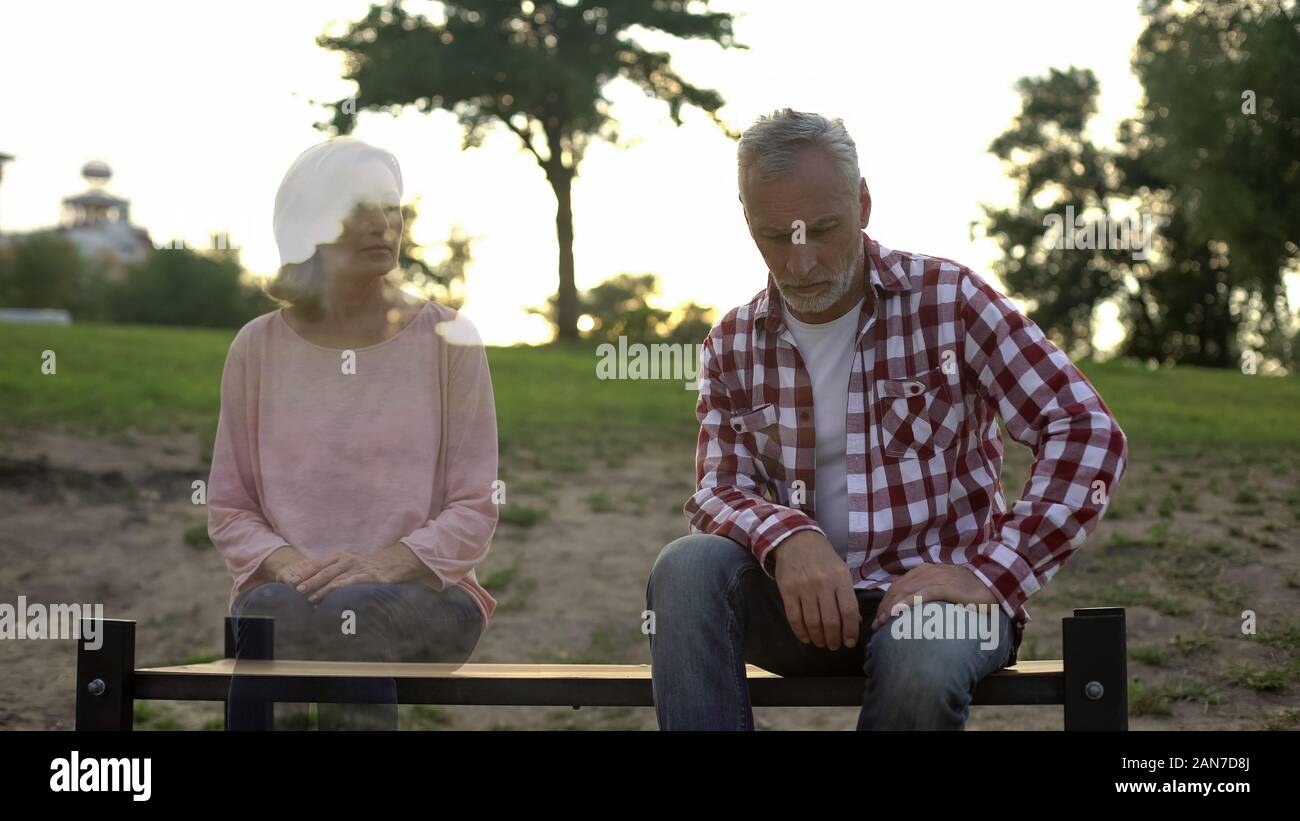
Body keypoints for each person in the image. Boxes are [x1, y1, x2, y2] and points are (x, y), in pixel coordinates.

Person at [646, 109, 1128, 730]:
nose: (801, 264)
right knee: (685, 568)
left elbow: (1084, 429)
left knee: (919, 669)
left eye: (823, 229)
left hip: (939, 607)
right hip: (801, 611)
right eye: (774, 236)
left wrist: (992, 574)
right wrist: (790, 537)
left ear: (864, 203)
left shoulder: (950, 300)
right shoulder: (731, 343)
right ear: (746, 222)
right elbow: (720, 491)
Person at [207, 137, 499, 730]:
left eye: (391, 205)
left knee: (351, 611)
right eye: (359, 205)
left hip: (428, 600)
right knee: (268, 611)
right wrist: (291, 567)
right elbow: (230, 508)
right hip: (283, 594)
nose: (382, 222)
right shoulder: (256, 348)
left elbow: (474, 508)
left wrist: (382, 565)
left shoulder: (450, 338)